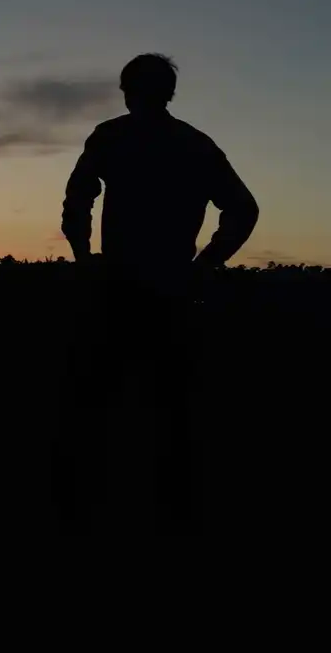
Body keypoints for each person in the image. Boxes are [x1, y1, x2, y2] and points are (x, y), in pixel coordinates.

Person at [53, 53, 259, 538]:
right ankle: (172, 513)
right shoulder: (194, 145)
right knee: (170, 408)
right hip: (167, 291)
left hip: (123, 291)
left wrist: (83, 257)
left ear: (127, 90)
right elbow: (243, 209)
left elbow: (78, 197)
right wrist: (206, 265)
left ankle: (85, 505)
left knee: (99, 402)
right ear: (168, 93)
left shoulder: (113, 136)